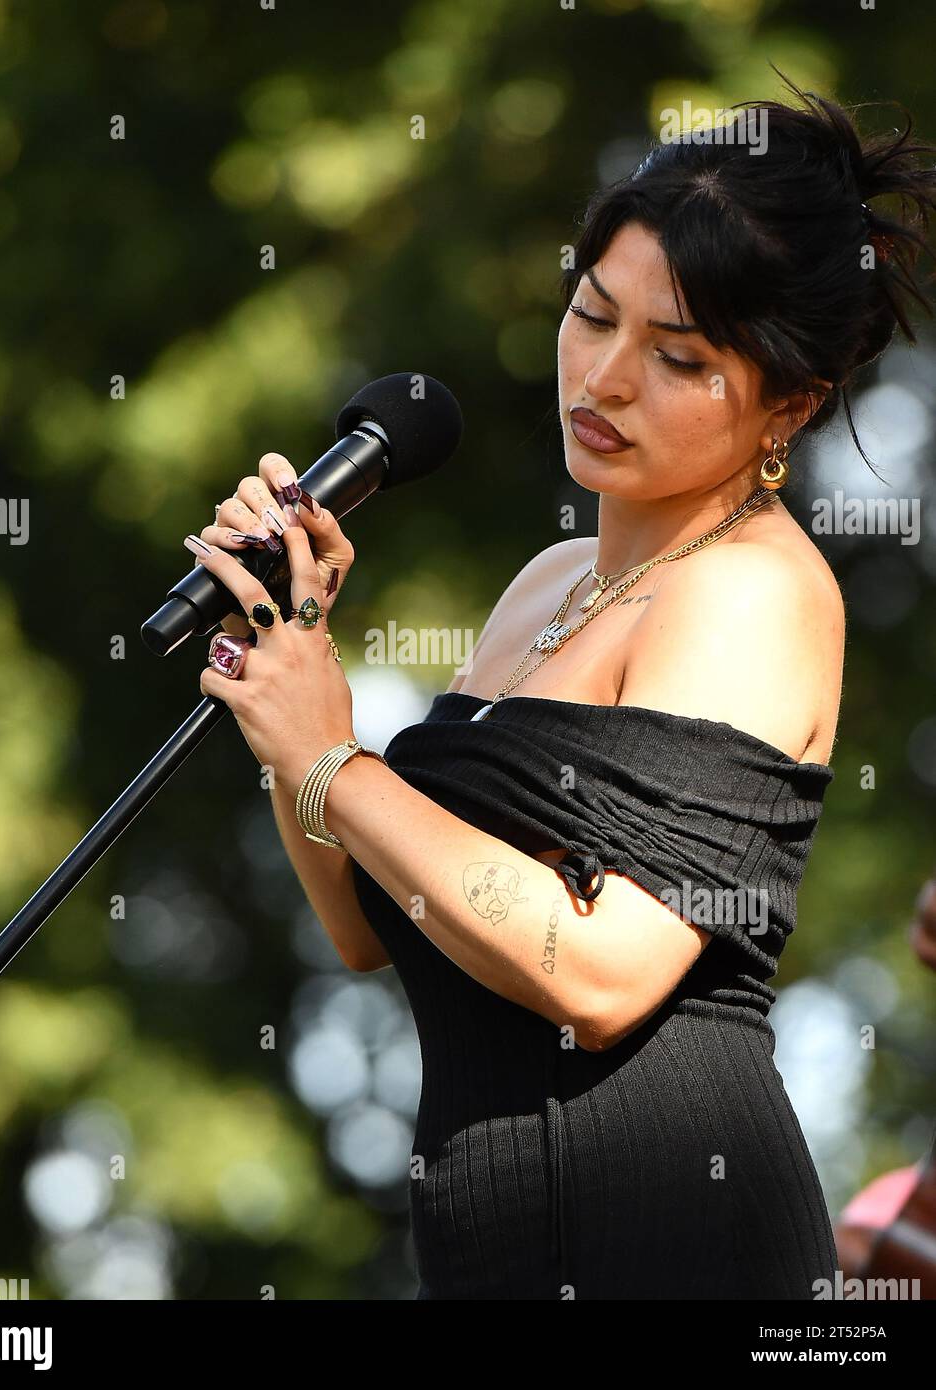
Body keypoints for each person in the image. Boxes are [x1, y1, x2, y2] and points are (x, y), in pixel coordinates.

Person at [186, 74, 936, 1299]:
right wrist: (294, 660)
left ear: (786, 406)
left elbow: (601, 974)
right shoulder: (549, 582)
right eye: (592, 315)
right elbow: (368, 923)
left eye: (676, 354)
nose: (604, 377)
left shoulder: (753, 591)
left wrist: (336, 759)